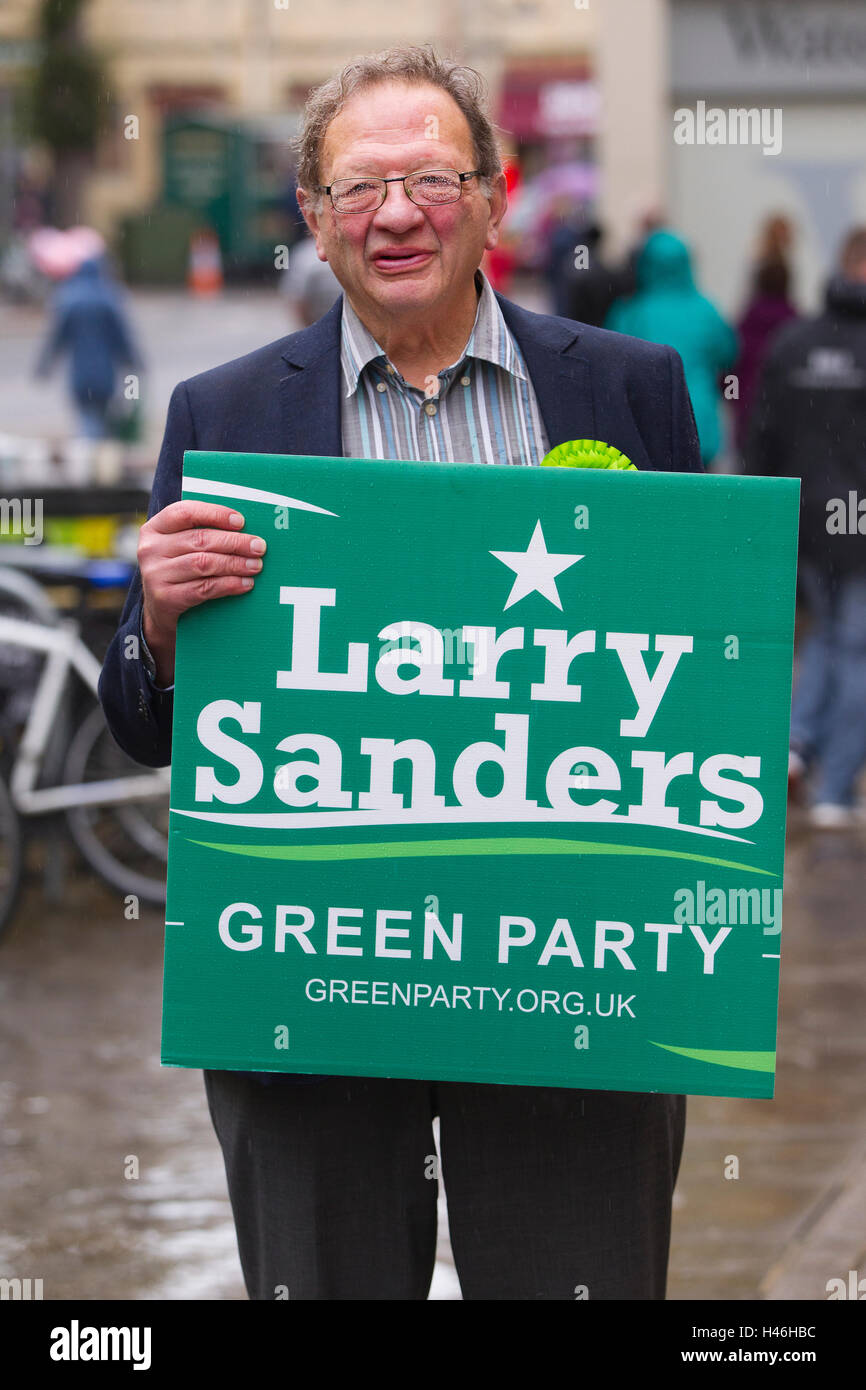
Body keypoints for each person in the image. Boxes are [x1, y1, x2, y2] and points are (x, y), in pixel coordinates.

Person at [99, 45, 701, 1301]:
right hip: (313, 994)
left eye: (431, 177)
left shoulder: (628, 390)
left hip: (569, 982)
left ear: (491, 196)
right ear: (312, 223)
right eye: (357, 189)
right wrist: (154, 629)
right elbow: (146, 727)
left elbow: (697, 670)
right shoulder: (223, 417)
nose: (396, 214)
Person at [745, 227, 866, 829]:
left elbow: (760, 435)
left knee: (826, 639)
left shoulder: (795, 343)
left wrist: (763, 520)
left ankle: (796, 746)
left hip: (808, 521)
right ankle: (836, 790)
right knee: (854, 650)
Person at [605, 228, 738, 467]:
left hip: (646, 427)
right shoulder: (706, 310)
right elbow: (728, 353)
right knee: (699, 501)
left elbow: (609, 363)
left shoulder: (632, 313)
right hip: (699, 424)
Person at [34, 255, 142, 439]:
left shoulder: (69, 299)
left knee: (87, 418)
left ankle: (90, 452)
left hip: (80, 375)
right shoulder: (109, 298)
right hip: (105, 373)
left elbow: (56, 339)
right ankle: (98, 454)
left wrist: (44, 366)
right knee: (104, 416)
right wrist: (134, 363)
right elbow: (123, 339)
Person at [731, 257, 798, 459]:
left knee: (750, 485)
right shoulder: (796, 328)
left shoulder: (744, 325)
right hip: (787, 422)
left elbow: (727, 373)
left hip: (747, 415)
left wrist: (734, 398)